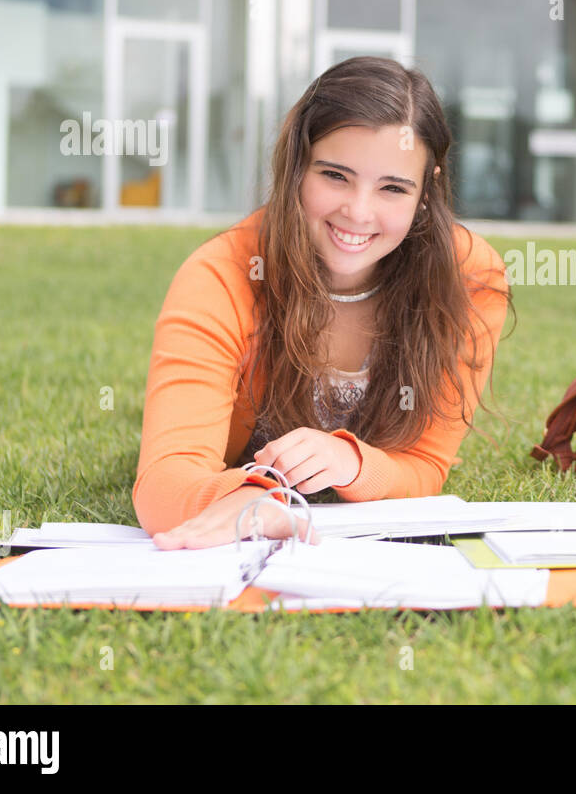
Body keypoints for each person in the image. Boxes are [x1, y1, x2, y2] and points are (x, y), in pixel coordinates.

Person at [134, 57, 515, 549]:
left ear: (427, 192)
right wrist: (251, 497)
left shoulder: (470, 278)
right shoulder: (223, 274)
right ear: (296, 168)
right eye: (335, 175)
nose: (357, 212)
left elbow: (424, 465)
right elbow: (165, 482)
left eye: (393, 188)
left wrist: (351, 462)